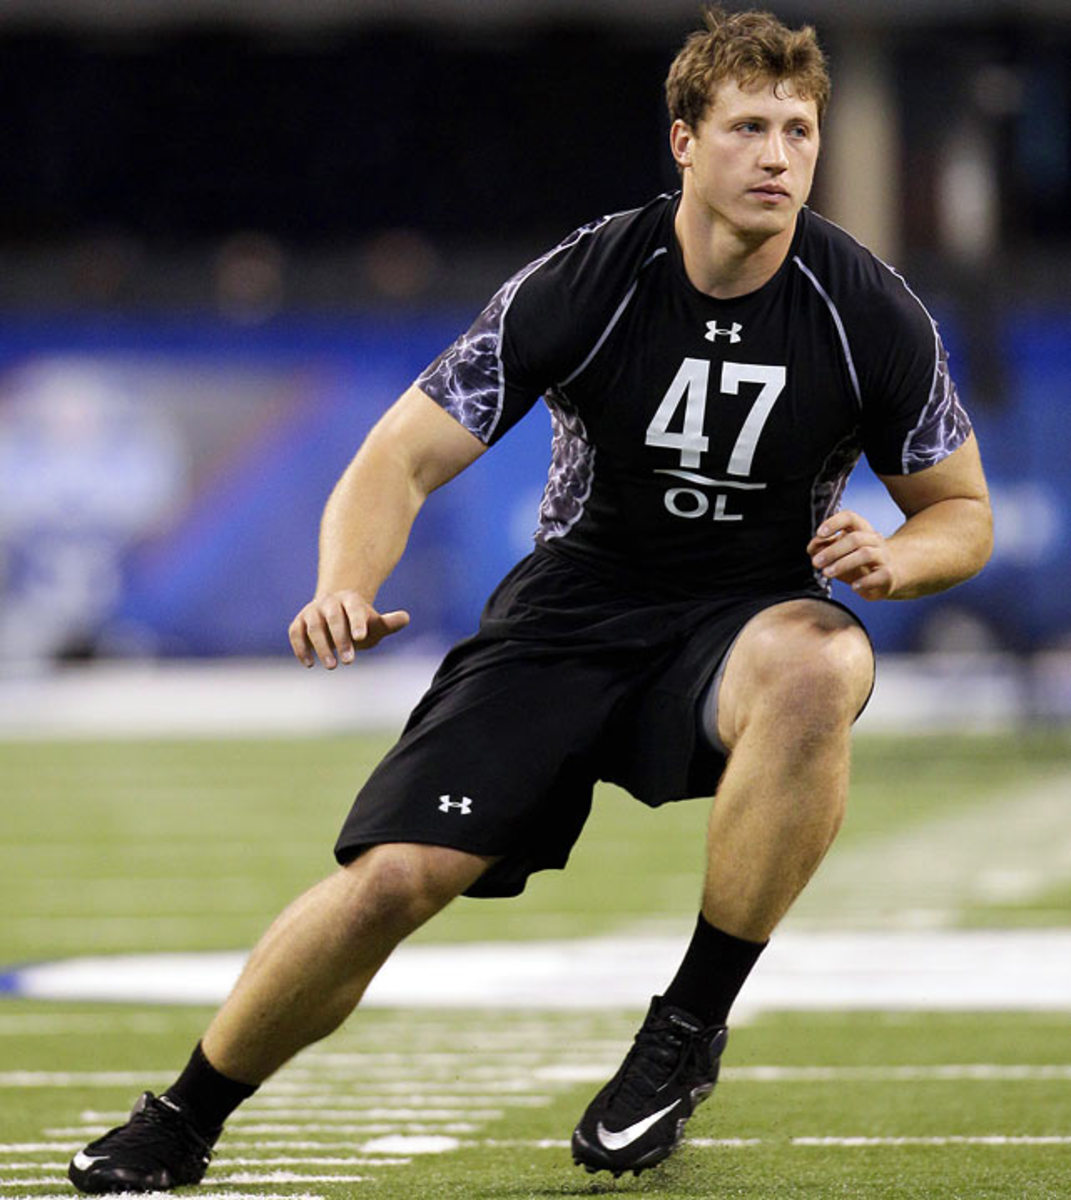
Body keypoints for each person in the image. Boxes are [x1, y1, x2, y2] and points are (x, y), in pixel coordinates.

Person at [68, 6, 992, 1192]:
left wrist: (899, 561)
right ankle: (183, 1119)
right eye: (749, 127)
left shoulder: (868, 310)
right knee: (394, 880)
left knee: (822, 663)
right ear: (683, 143)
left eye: (800, 131)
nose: (778, 157)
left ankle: (684, 1030)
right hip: (572, 611)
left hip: (741, 623)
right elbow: (398, 455)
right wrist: (344, 585)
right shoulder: (588, 279)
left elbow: (960, 513)